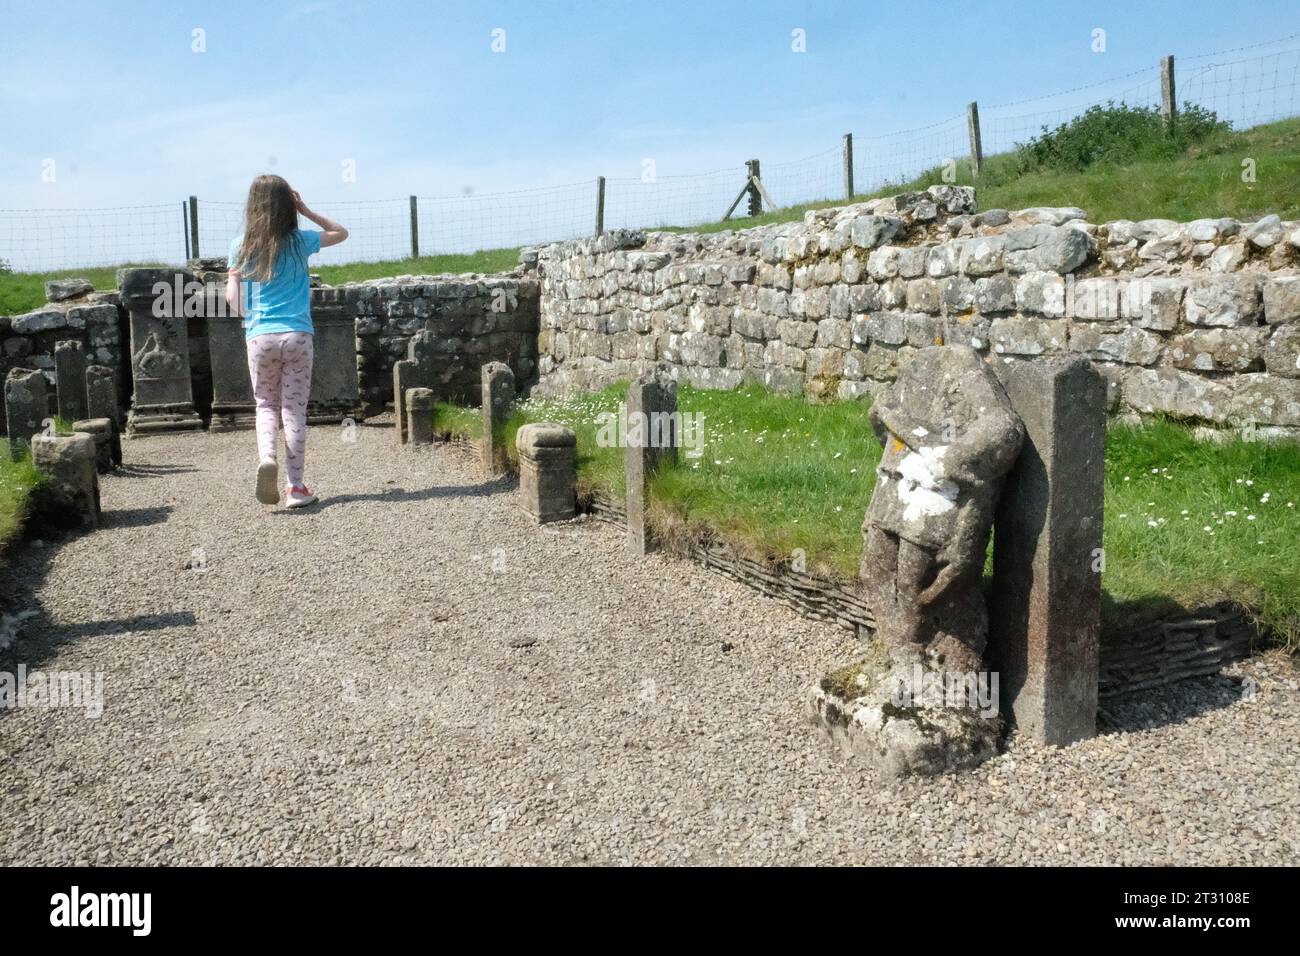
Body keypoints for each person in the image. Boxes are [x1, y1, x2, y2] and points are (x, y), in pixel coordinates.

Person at [224, 175, 347, 507]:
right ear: (288, 205)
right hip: (297, 336)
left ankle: (267, 458)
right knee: (293, 410)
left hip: (260, 337)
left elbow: (234, 303)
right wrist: (306, 210)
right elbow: (341, 232)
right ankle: (296, 488)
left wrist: (237, 288)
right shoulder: (300, 241)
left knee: (265, 405)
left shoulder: (239, 246)